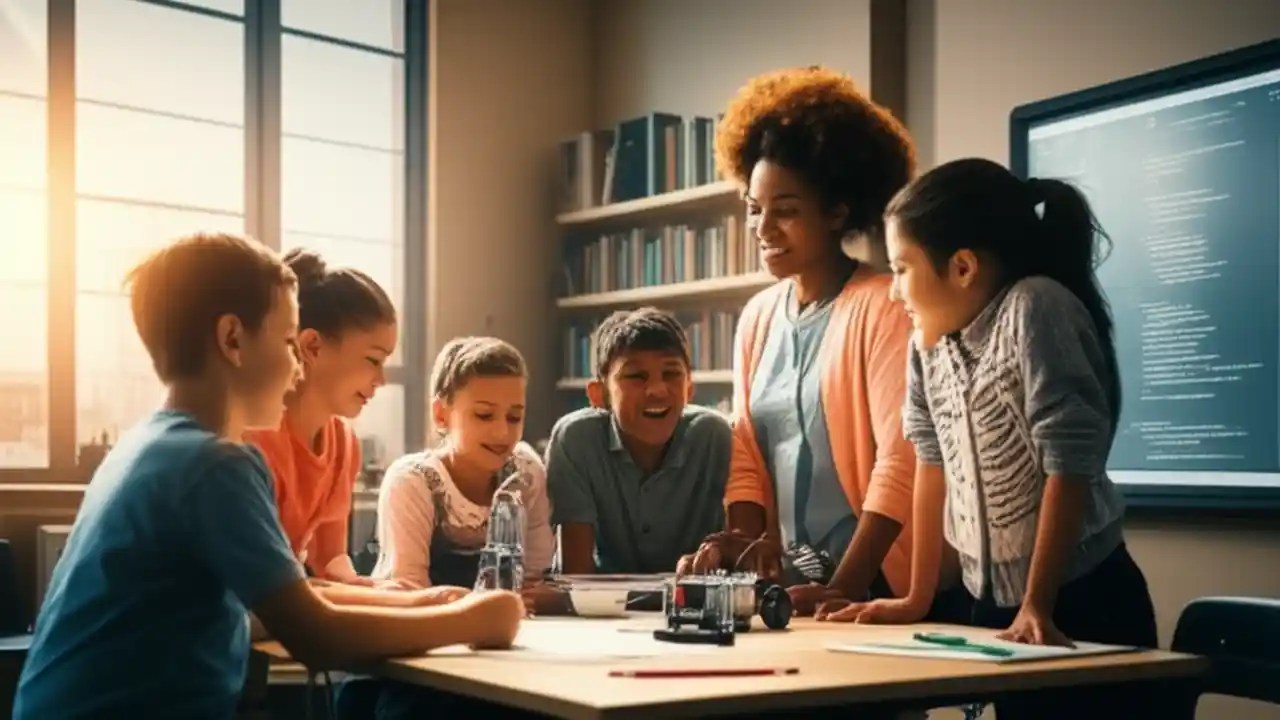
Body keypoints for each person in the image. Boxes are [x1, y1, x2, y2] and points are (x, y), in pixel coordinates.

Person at [13, 233, 521, 720]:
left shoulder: (150, 443)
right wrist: (473, 620)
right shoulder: (215, 465)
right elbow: (316, 635)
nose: (298, 368)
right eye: (286, 343)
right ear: (233, 339)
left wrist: (422, 603)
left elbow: (297, 595)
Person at [851, 157, 1156, 719]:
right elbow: (929, 458)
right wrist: (918, 598)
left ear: (962, 266)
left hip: (1082, 601)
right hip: (996, 607)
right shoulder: (929, 344)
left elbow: (1068, 461)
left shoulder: (1036, 307)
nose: (894, 292)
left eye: (900, 268)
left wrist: (1039, 603)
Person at [678, 66, 963, 620]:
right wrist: (743, 556)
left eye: (785, 212)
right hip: (799, 587)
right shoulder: (758, 316)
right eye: (754, 210)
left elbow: (899, 464)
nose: (763, 230)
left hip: (878, 583)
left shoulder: (883, 305)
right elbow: (746, 456)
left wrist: (849, 586)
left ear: (837, 212)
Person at [244, 249, 399, 588]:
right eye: (373, 360)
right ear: (311, 347)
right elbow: (272, 590)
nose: (382, 380)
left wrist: (381, 592)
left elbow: (330, 563)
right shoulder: (253, 439)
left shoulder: (344, 444)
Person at [546, 307, 732, 575]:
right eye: (635, 376)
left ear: (689, 388)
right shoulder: (575, 440)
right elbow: (576, 579)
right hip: (605, 610)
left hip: (694, 610)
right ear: (599, 395)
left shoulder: (715, 437)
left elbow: (734, 559)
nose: (657, 390)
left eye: (671, 374)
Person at [371, 337, 555, 592]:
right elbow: (407, 588)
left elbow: (536, 580)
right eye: (484, 415)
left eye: (514, 417)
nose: (502, 432)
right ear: (441, 414)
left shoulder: (526, 473)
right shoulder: (412, 483)